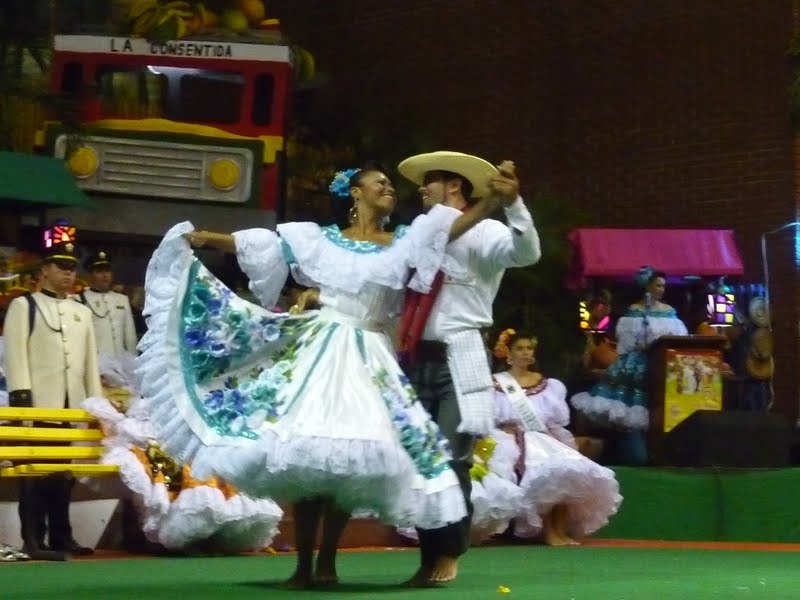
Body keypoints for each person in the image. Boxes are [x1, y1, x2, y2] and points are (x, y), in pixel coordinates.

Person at [135, 160, 520, 588]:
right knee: (309, 453)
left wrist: (491, 201)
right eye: (380, 183)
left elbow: (451, 230)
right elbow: (271, 247)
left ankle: (327, 564)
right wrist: (208, 238)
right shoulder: (319, 239)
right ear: (356, 194)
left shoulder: (405, 241)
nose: (390, 189)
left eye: (391, 185)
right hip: (322, 351)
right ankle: (303, 566)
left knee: (345, 460)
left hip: (370, 356)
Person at [395, 151, 541, 585]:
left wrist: (513, 203)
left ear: (454, 186)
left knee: (450, 458)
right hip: (415, 356)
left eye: (431, 181)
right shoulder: (419, 234)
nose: (422, 189)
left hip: (461, 355)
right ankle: (428, 554)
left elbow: (528, 252)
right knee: (419, 459)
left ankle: (450, 552)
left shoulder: (487, 231)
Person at [3, 242, 101, 559]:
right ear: (45, 270)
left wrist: (95, 406)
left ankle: (62, 536)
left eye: (72, 268)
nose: (68, 273)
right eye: (61, 267)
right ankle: (33, 540)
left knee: (62, 476)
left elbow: (90, 364)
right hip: (38, 404)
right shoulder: (24, 306)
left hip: (70, 405)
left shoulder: (81, 313)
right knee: (33, 473)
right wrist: (23, 405)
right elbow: (16, 356)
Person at [491, 330, 621, 545]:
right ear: (509, 354)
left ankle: (559, 529)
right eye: (519, 348)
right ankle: (548, 531)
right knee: (539, 467)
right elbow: (488, 417)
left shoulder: (548, 384)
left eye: (529, 348)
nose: (525, 353)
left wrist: (559, 440)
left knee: (564, 466)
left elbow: (555, 422)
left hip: (541, 436)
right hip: (508, 437)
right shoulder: (496, 385)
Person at [570, 266, 688, 465]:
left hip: (666, 368)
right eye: (658, 285)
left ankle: (663, 453)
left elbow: (679, 341)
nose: (662, 289)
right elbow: (627, 346)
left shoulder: (669, 312)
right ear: (647, 287)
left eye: (663, 286)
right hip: (638, 368)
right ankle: (636, 454)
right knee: (633, 416)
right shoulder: (635, 312)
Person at [76, 250, 138, 358]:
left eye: (107, 271)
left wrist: (134, 361)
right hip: (97, 362)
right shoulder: (80, 298)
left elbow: (130, 335)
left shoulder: (122, 299)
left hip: (122, 362)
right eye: (99, 272)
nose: (104, 275)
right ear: (90, 275)